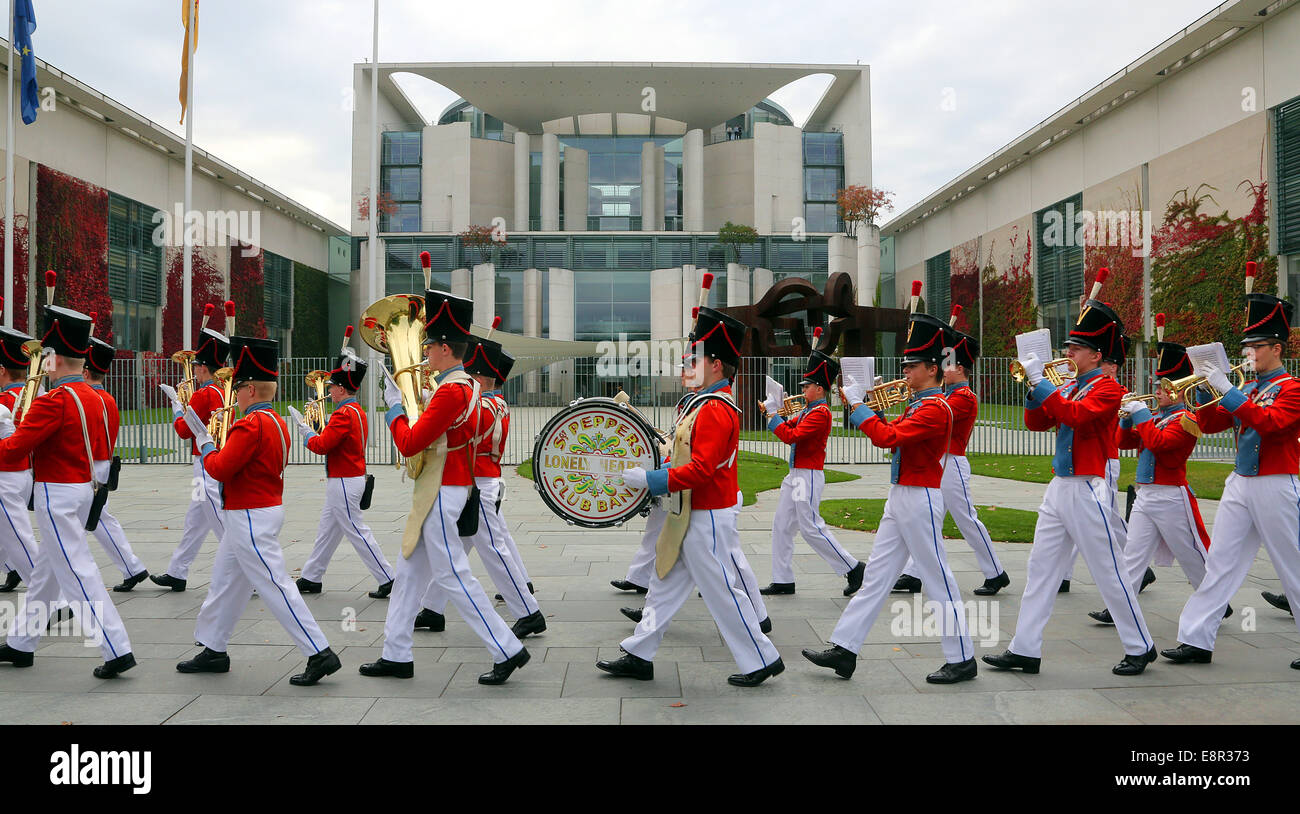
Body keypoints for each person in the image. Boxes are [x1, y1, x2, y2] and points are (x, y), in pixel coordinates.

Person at [601, 306, 783, 687]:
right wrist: (658, 463)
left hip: (706, 516)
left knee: (721, 592)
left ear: (716, 365)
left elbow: (701, 470)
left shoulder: (716, 409)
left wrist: (650, 480)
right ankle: (638, 653)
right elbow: (683, 457)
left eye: (695, 357)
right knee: (663, 584)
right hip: (689, 513)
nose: (687, 363)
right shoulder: (703, 404)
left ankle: (762, 658)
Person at [360, 290, 529, 685]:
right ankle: (395, 652)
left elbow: (410, 442)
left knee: (453, 575)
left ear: (443, 348)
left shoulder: (453, 389)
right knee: (407, 576)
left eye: (429, 345)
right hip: (445, 487)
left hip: (441, 489)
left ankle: (505, 647)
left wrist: (396, 411)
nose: (424, 350)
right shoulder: (465, 384)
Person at [802, 310, 976, 684]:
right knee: (877, 576)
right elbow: (891, 428)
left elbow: (887, 438)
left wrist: (859, 405)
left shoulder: (936, 406)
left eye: (912, 366)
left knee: (937, 577)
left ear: (933, 369)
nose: (906, 372)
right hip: (902, 497)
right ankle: (845, 648)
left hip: (921, 498)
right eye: (906, 365)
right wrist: (869, 407)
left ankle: (962, 656)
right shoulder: (919, 403)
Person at [984, 301, 1156, 676]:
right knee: (1041, 569)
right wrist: (1034, 388)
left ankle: (1140, 644)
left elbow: (1075, 418)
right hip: (1060, 485)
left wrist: (1044, 383)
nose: (1067, 353)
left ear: (1096, 355)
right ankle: (1025, 648)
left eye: (1075, 349)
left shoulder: (1107, 389)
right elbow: (1036, 423)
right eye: (1067, 348)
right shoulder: (1073, 387)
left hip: (1086, 487)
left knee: (1108, 571)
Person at [175, 334, 340, 686]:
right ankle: (213, 648)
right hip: (255, 510)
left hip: (250, 513)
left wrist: (204, 441)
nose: (233, 393)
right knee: (224, 582)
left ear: (250, 390)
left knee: (276, 585)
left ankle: (319, 651)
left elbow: (219, 468)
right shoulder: (276, 421)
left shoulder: (250, 424)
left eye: (237, 387)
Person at [1162, 287, 1300, 670]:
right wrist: (1207, 387)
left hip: (1277, 481)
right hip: (1241, 481)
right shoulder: (1249, 387)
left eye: (1255, 346)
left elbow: (1271, 424)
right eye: (1247, 347)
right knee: (1220, 563)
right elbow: (1209, 424)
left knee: (1292, 565)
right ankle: (1196, 639)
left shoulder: (1292, 389)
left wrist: (1226, 388)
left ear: (1276, 347)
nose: (1249, 353)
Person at [0, 300, 135, 678]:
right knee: (45, 573)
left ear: (54, 359)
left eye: (45, 356)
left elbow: (13, 450)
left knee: (78, 572)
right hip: (78, 489)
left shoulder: (55, 400)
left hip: (56, 493)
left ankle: (116, 647)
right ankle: (21, 643)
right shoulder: (93, 396)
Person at [412, 336, 545, 639]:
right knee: (455, 548)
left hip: (481, 483)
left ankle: (529, 612)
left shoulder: (487, 405)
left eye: (471, 376)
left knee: (494, 551)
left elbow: (458, 427)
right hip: (479, 481)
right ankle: (432, 608)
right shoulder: (490, 401)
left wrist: (433, 399)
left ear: (482, 378)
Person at [1089, 331, 1225, 624]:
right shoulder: (1153, 417)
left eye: (1165, 386)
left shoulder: (1187, 420)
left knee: (1192, 558)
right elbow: (1123, 444)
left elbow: (1160, 444)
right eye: (1158, 385)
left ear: (1179, 389)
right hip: (1146, 495)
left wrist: (1139, 416)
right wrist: (1126, 421)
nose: (1158, 391)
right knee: (1133, 558)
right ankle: (1120, 606)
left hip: (1171, 496)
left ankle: (1217, 601)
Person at [892, 315, 1011, 596]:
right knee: (928, 522)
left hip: (952, 462)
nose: (944, 370)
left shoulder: (964, 397)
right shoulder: (943, 395)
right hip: (938, 463)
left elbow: (938, 415)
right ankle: (912, 573)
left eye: (948, 365)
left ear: (960, 368)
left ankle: (996, 572)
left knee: (967, 519)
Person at [288, 328, 394, 599]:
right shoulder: (355, 410)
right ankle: (312, 576)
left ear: (342, 388)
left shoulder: (343, 414)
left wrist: (304, 429)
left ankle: (388, 577)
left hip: (344, 480)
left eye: (333, 385)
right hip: (349, 477)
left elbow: (321, 445)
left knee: (357, 531)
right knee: (327, 532)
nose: (330, 389)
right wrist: (315, 425)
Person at [759, 344, 864, 597]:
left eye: (807, 386)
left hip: (807, 475)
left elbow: (790, 436)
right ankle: (783, 579)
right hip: (796, 474)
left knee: (811, 527)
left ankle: (853, 567)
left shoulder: (821, 413)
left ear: (819, 388)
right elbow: (788, 425)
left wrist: (773, 414)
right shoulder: (808, 410)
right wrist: (774, 411)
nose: (803, 389)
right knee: (782, 524)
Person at [154, 306, 231, 591]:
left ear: (202, 368)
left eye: (196, 367)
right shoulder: (225, 390)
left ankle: (244, 570)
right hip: (216, 459)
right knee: (195, 522)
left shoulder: (203, 393)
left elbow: (183, 430)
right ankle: (177, 571)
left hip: (205, 464)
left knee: (220, 522)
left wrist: (176, 407)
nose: (194, 372)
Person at [84, 335, 150, 592]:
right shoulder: (106, 398)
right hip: (100, 462)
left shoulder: (92, 398)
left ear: (86, 371)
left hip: (93, 464)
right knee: (100, 520)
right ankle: (132, 567)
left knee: (99, 520)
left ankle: (132, 567)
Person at [0, 324, 38, 594]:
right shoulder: (37, 395)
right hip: (24, 475)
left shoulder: (3, 401)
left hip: (6, 477)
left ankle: (53, 598)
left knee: (20, 540)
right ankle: (11, 569)